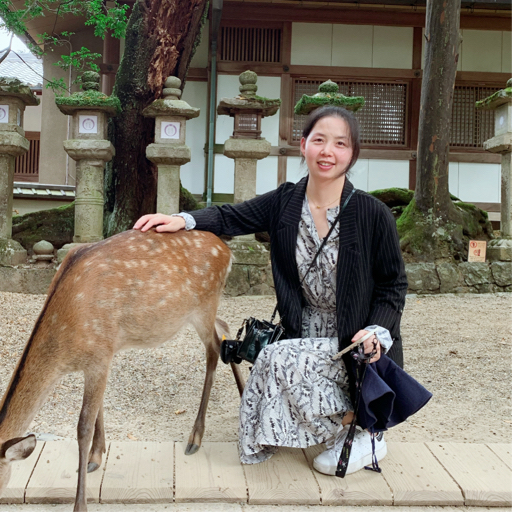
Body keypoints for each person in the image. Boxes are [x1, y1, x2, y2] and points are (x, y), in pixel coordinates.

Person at [134, 105, 408, 476]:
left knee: (276, 359)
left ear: (353, 153)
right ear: (303, 145)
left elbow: (393, 284)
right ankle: (340, 426)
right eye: (319, 140)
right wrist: (182, 219)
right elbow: (233, 216)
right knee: (275, 364)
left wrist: (376, 331)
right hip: (304, 330)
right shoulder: (286, 202)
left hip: (355, 340)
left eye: (340, 144)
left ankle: (366, 429)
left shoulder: (372, 213)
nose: (328, 151)